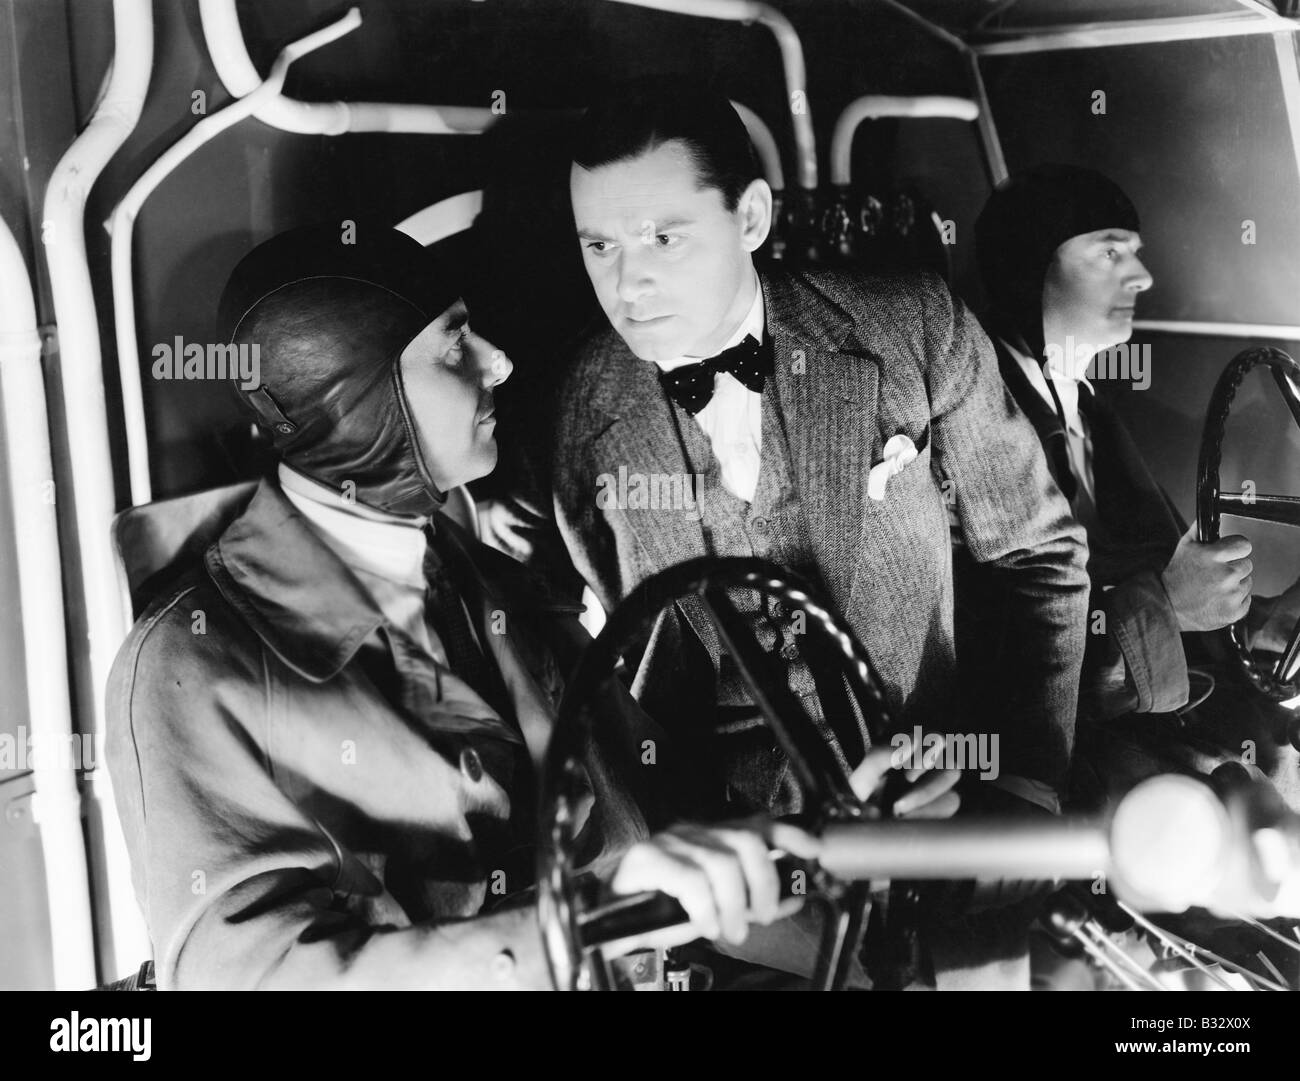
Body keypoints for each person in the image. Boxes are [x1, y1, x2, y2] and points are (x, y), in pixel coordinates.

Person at [105, 222, 838, 990]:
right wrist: (577, 919)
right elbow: (260, 977)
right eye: (455, 344)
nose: (499, 361)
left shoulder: (498, 587)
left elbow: (663, 831)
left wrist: (834, 843)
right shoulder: (188, 662)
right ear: (352, 395)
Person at [553, 85, 1090, 824]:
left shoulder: (912, 326)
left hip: (937, 800)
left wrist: (1025, 778)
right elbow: (577, 659)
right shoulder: (577, 411)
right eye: (600, 246)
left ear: (750, 217)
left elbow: (1040, 557)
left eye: (663, 238)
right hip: (730, 855)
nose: (627, 283)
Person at [972, 165, 1300, 804]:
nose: (1143, 276)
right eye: (1110, 251)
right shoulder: (977, 422)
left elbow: (1145, 571)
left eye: (1136, 252)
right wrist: (1171, 608)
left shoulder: (1087, 409)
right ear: (1031, 262)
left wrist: (1264, 624)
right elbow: (1011, 677)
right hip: (1076, 784)